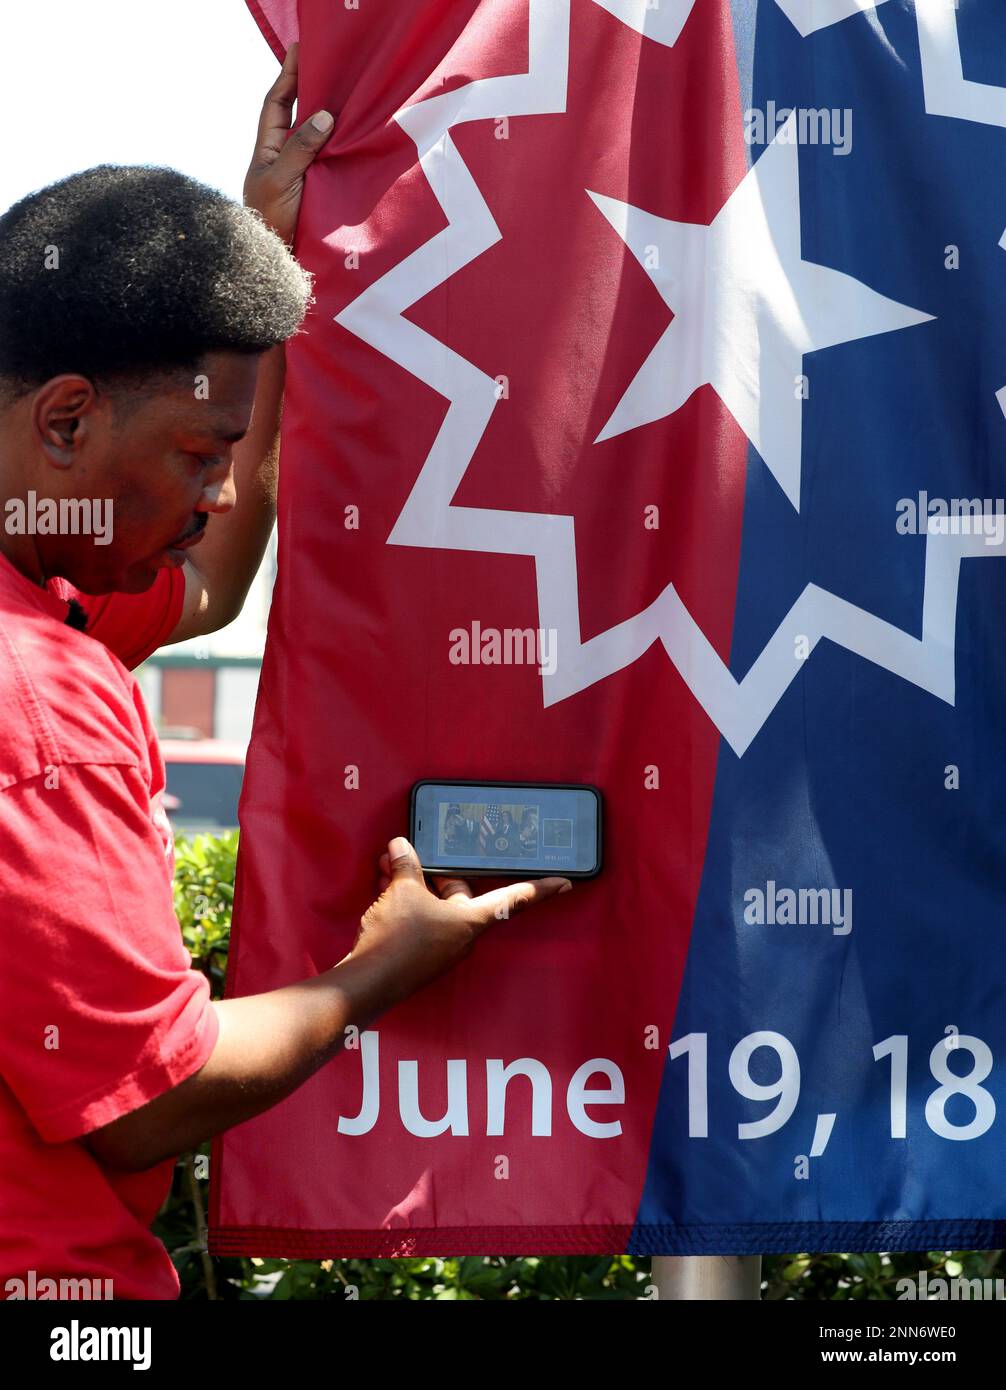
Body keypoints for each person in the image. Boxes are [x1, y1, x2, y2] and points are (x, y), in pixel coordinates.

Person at [0, 46, 572, 1301]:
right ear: (64, 420)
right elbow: (154, 1101)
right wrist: (383, 965)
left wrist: (261, 239)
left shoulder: (56, 577)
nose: (217, 497)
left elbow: (204, 590)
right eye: (201, 454)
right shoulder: (39, 691)